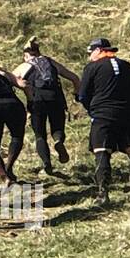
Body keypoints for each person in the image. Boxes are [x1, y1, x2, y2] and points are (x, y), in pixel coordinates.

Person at [77, 38, 130, 205]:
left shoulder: (92, 67)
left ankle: (103, 194)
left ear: (99, 50)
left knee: (102, 151)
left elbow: (82, 95)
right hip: (128, 114)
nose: (89, 57)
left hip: (103, 114)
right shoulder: (129, 66)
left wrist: (92, 110)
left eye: (90, 53)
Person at [12, 37, 80, 175]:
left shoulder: (24, 66)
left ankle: (47, 164)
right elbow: (74, 77)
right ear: (38, 51)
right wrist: (76, 93)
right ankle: (58, 140)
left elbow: (8, 80)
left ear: (26, 55)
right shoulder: (50, 62)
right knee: (57, 127)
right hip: (56, 98)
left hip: (37, 100)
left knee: (39, 135)